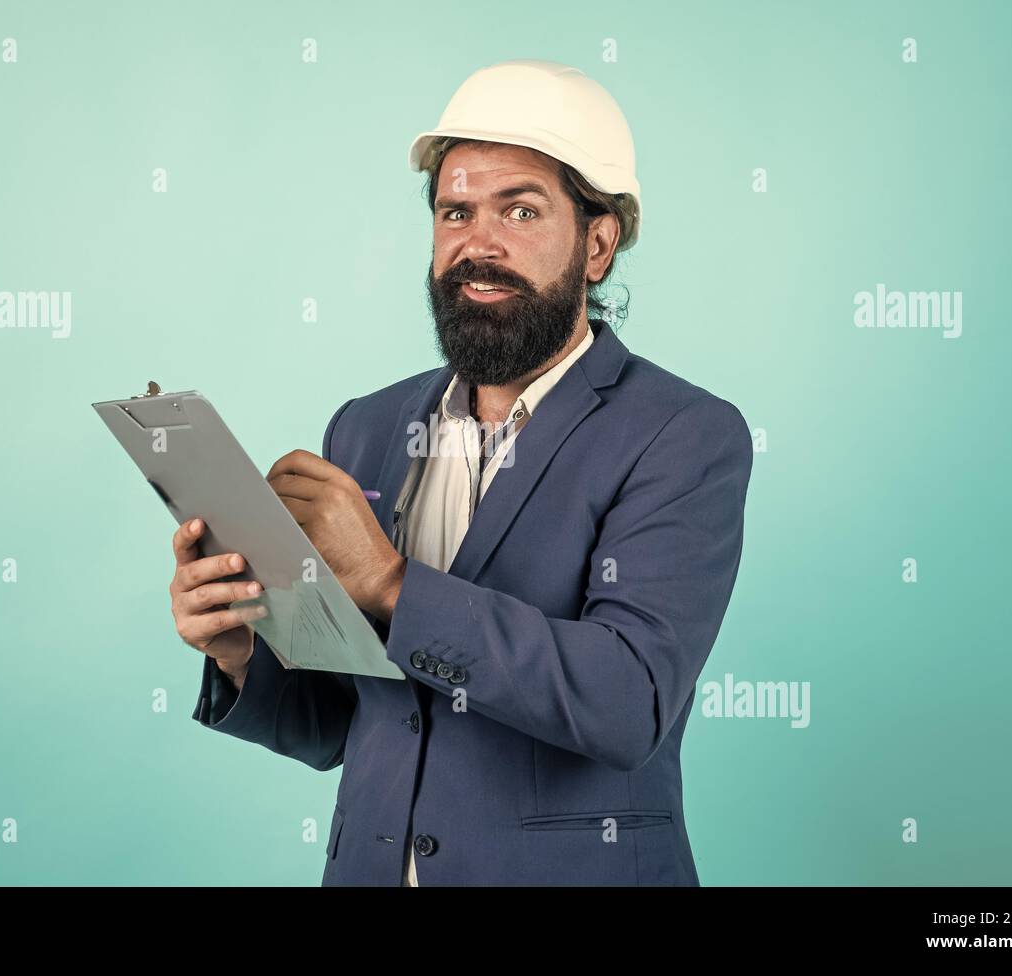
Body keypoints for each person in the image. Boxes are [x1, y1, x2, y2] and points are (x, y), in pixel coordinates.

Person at [169, 59, 753, 885]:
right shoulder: (367, 426)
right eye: (456, 211)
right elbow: (343, 724)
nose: (479, 243)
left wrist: (393, 584)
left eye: (520, 210)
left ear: (597, 242)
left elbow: (629, 701)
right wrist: (239, 652)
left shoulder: (683, 434)